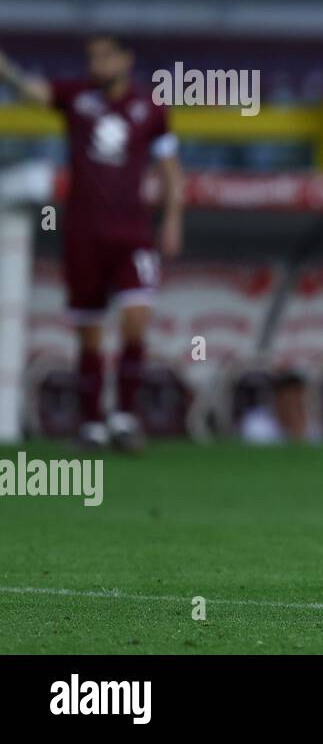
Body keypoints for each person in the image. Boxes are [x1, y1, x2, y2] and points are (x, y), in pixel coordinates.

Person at [0, 36, 184, 451]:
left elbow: (170, 167)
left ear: (125, 59)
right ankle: (91, 425)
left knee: (136, 318)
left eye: (103, 56)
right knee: (89, 331)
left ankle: (124, 417)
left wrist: (172, 219)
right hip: (83, 233)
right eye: (90, 57)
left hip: (133, 233)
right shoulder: (76, 98)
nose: (95, 64)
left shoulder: (150, 109)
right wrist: (8, 71)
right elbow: (33, 93)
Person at [239, 369, 322, 445]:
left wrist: (297, 430)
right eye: (287, 399)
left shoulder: (312, 426)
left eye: (297, 395)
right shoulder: (256, 423)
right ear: (276, 397)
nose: (293, 402)